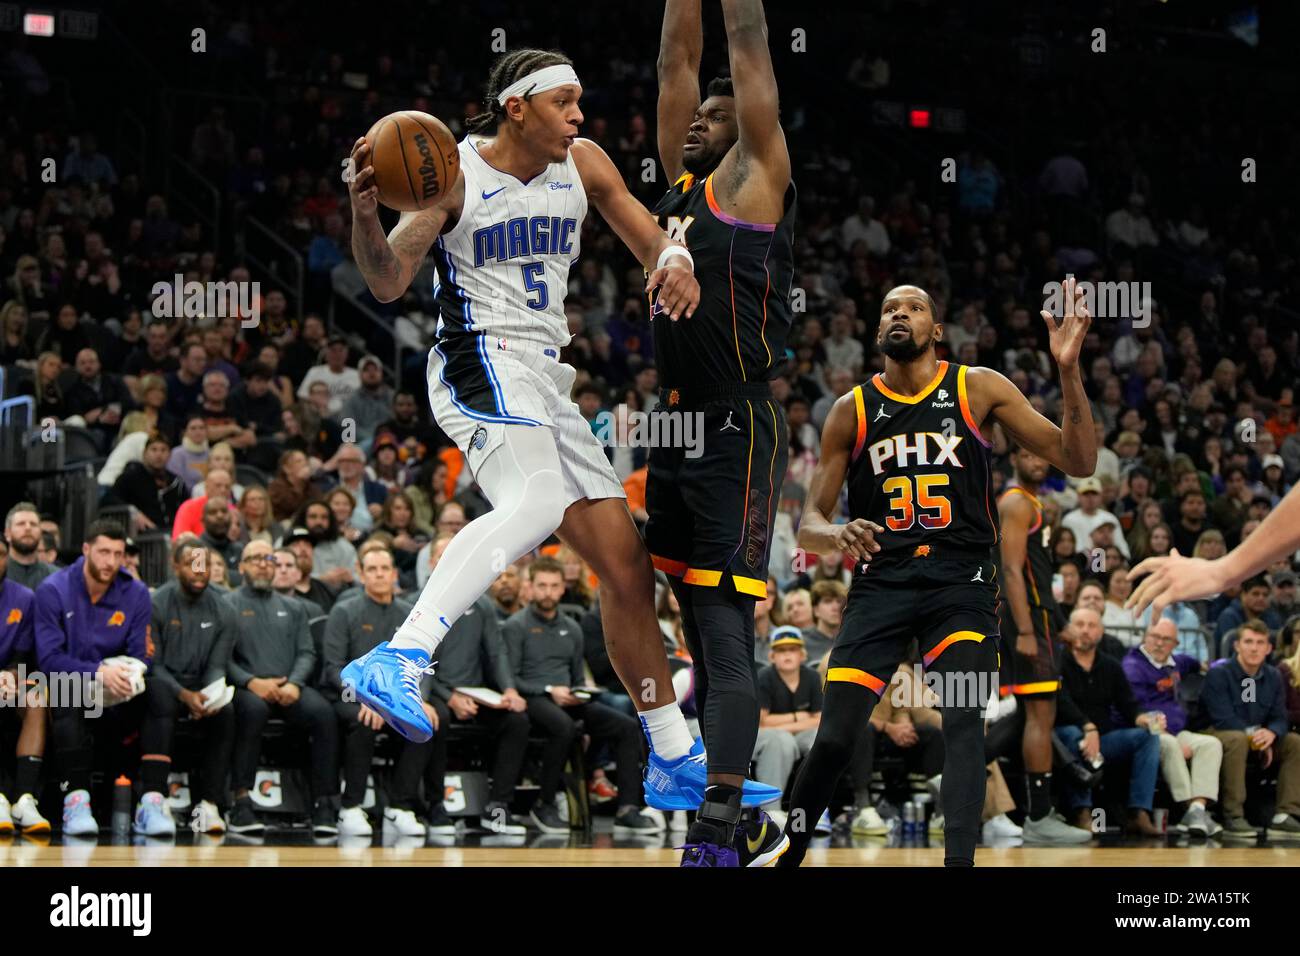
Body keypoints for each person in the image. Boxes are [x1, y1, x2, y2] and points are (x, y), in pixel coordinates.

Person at [341, 43, 773, 816]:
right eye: (564, 101)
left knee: (628, 569)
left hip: (546, 377)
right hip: (477, 360)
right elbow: (385, 279)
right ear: (517, 107)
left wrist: (673, 257)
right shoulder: (454, 174)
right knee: (538, 499)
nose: (580, 114)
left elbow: (650, 238)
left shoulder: (586, 162)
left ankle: (673, 757)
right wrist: (367, 212)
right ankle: (401, 653)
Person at [779, 276, 1098, 869]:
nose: (901, 314)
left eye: (915, 307)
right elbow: (807, 526)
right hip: (882, 581)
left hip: (963, 584)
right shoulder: (850, 411)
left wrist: (1069, 370)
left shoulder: (978, 387)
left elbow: (1078, 460)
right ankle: (788, 855)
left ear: (937, 329)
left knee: (962, 723)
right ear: (878, 331)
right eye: (890, 308)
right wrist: (836, 532)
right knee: (836, 736)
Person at [647, 0, 798, 867]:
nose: (698, 121)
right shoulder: (678, 191)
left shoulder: (754, 180)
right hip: (674, 423)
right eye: (696, 117)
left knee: (725, 628)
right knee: (698, 633)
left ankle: (715, 830)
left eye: (716, 114)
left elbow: (747, 45)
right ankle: (749, 824)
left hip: (738, 423)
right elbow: (676, 56)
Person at [504, 557, 660, 834]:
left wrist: (580, 693)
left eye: (554, 586)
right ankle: (544, 803)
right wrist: (549, 691)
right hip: (533, 698)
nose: (548, 592)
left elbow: (577, 677)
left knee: (625, 726)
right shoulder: (516, 626)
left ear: (564, 588)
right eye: (542, 586)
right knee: (563, 728)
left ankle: (627, 809)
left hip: (569, 700)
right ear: (529, 587)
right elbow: (511, 679)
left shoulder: (572, 629)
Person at [32, 519, 154, 836]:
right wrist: (99, 672)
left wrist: (131, 673)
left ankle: (153, 800)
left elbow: (142, 654)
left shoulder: (137, 592)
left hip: (118, 690)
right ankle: (77, 799)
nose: (111, 561)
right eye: (103, 552)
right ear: (86, 550)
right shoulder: (53, 590)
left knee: (161, 690)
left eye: (118, 553)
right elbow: (49, 661)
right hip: (71, 685)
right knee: (65, 689)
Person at [995, 445, 1089, 843]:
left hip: (1042, 619)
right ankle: (1039, 817)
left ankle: (958, 767)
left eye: (1042, 456)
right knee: (1038, 716)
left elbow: (1038, 572)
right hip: (1027, 623)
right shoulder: (1016, 503)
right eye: (1029, 455)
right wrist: (1029, 630)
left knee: (1036, 715)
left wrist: (1060, 624)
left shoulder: (1036, 503)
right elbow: (1011, 571)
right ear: (1015, 459)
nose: (1038, 461)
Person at [225, 540, 339, 836]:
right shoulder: (227, 604)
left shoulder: (294, 607)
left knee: (324, 714)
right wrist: (251, 682)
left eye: (268, 558)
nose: (263, 563)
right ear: (241, 567)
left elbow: (306, 652)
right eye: (255, 559)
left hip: (289, 685)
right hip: (247, 686)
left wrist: (295, 683)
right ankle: (240, 801)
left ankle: (324, 803)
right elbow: (220, 658)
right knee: (252, 711)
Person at [320, 541, 433, 838]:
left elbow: (423, 663)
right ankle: (351, 807)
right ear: (360, 573)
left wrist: (423, 699)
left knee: (425, 719)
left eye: (385, 569)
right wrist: (367, 699)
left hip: (396, 696)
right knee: (365, 721)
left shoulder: (412, 615)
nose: (380, 575)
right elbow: (333, 667)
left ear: (395, 573)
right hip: (349, 697)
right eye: (372, 569)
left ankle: (400, 805)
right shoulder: (344, 611)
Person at [422, 534, 531, 835]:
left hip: (474, 693)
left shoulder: (481, 604)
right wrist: (449, 696)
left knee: (516, 721)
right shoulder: (419, 604)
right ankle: (435, 807)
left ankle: (498, 809)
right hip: (435, 692)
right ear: (432, 562)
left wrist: (509, 689)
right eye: (443, 556)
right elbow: (420, 664)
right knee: (435, 718)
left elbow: (496, 652)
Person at [146, 538, 238, 834]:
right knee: (161, 699)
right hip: (164, 683)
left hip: (200, 684)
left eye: (205, 565)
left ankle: (209, 804)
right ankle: (155, 799)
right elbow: (154, 664)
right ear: (175, 566)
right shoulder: (157, 603)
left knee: (226, 711)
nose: (199, 571)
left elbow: (217, 665)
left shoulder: (224, 610)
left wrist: (210, 696)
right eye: (191, 564)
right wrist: (183, 695)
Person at [1053, 607, 1162, 835]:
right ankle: (1081, 811)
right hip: (1065, 735)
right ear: (1069, 629)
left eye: (1091, 625)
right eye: (1080, 625)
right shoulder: (1057, 660)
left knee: (1148, 737)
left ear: (1101, 631)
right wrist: (1087, 727)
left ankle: (1138, 812)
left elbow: (1128, 705)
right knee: (1073, 736)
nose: (1085, 631)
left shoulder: (1111, 665)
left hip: (1104, 738)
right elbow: (1060, 703)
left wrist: (1145, 719)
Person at [1197, 620, 1300, 837]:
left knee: (1293, 742)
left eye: (1260, 642)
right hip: (1216, 735)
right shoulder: (1219, 673)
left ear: (1269, 648)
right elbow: (1223, 718)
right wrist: (1256, 738)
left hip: (1256, 739)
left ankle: (1285, 814)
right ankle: (1233, 815)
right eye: (1248, 642)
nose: (1254, 648)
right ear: (1237, 646)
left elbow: (1280, 717)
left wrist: (1271, 733)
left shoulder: (1272, 676)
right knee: (1237, 738)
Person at [1121, 617, 1222, 837]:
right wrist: (1169, 736)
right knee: (1168, 743)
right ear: (1145, 637)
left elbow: (1191, 663)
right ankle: (1189, 809)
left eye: (1166, 639)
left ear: (1175, 644)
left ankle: (1198, 808)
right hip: (1147, 733)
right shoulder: (1133, 667)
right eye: (1155, 637)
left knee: (1210, 744)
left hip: (1177, 731)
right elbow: (1137, 710)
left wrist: (1207, 666)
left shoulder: (1175, 663)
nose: (1159, 643)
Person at [0, 535, 49, 833]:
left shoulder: (23, 597)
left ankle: (23, 799)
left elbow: (23, 653)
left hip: (7, 681)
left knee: (36, 694)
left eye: (1, 554)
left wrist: (11, 676)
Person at [4, 502, 60, 590]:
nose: (28, 528)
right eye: (21, 524)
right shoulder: (1, 572)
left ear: (40, 533)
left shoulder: (57, 577)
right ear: (7, 534)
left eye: (33, 524)